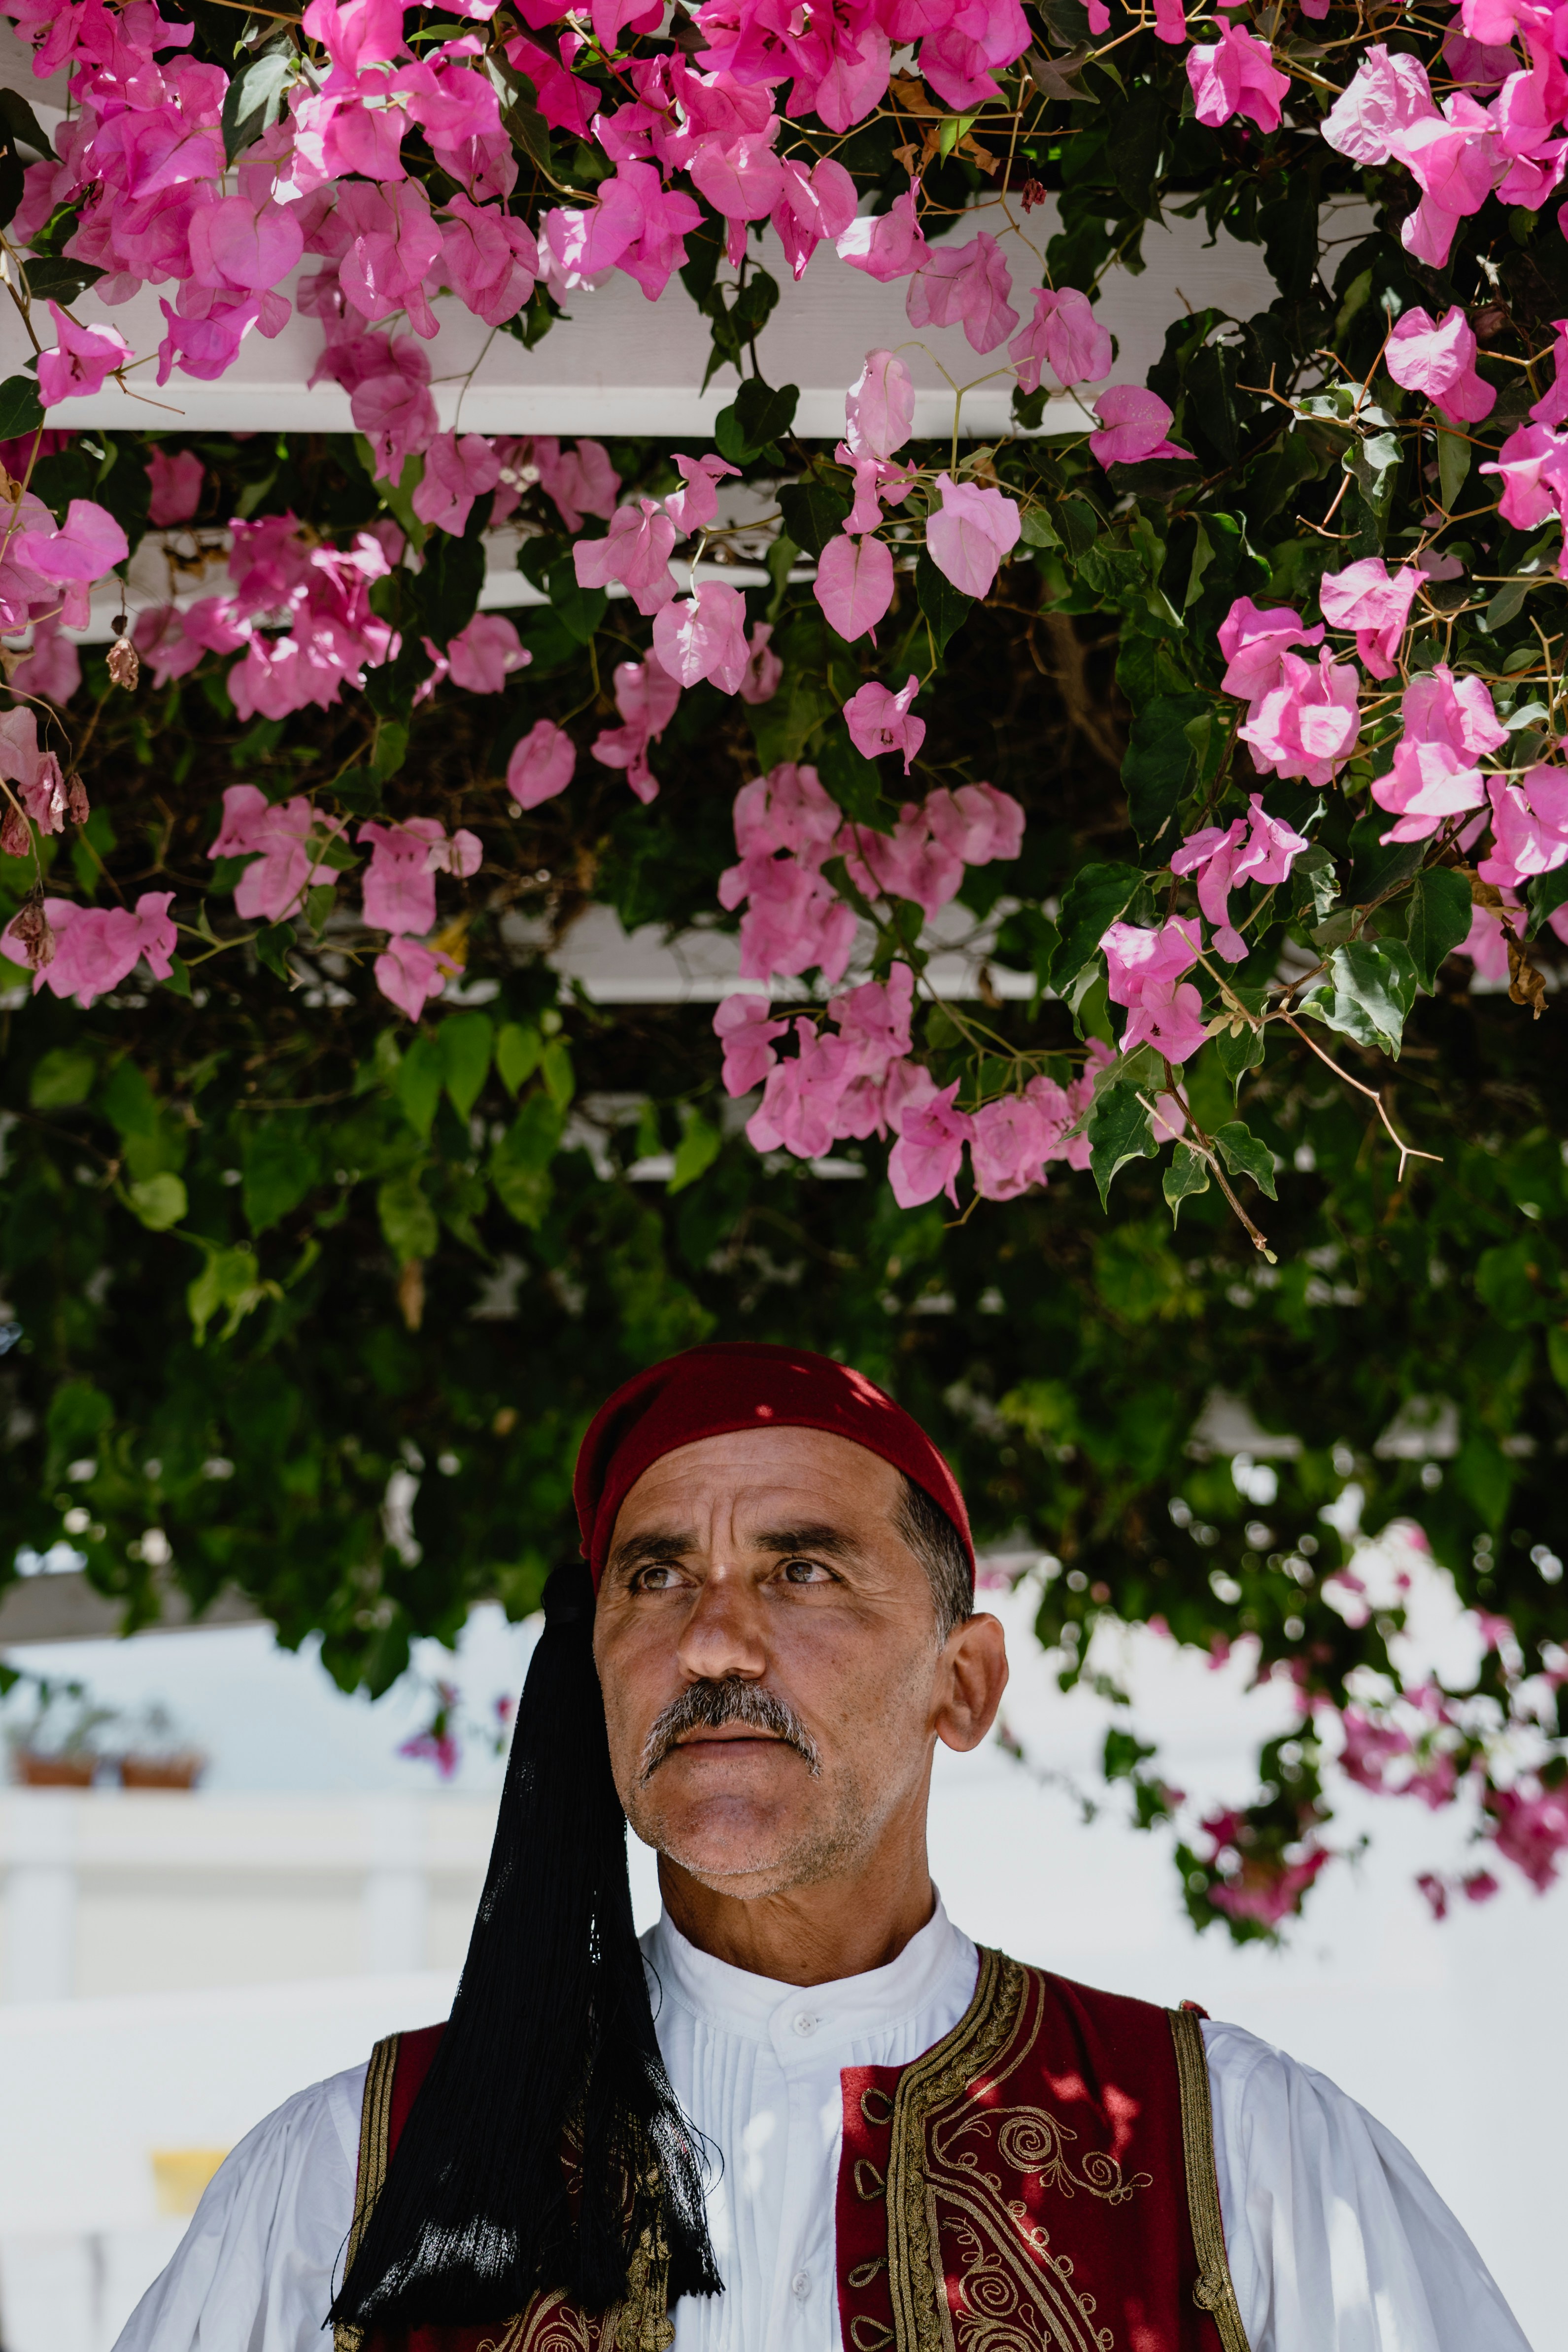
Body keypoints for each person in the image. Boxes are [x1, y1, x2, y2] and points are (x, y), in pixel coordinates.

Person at [115, 1341, 1530, 2352]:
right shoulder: (348, 2174)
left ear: (962, 1683)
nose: (714, 1641)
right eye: (656, 1575)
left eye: (803, 1569)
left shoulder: (1239, 2153)